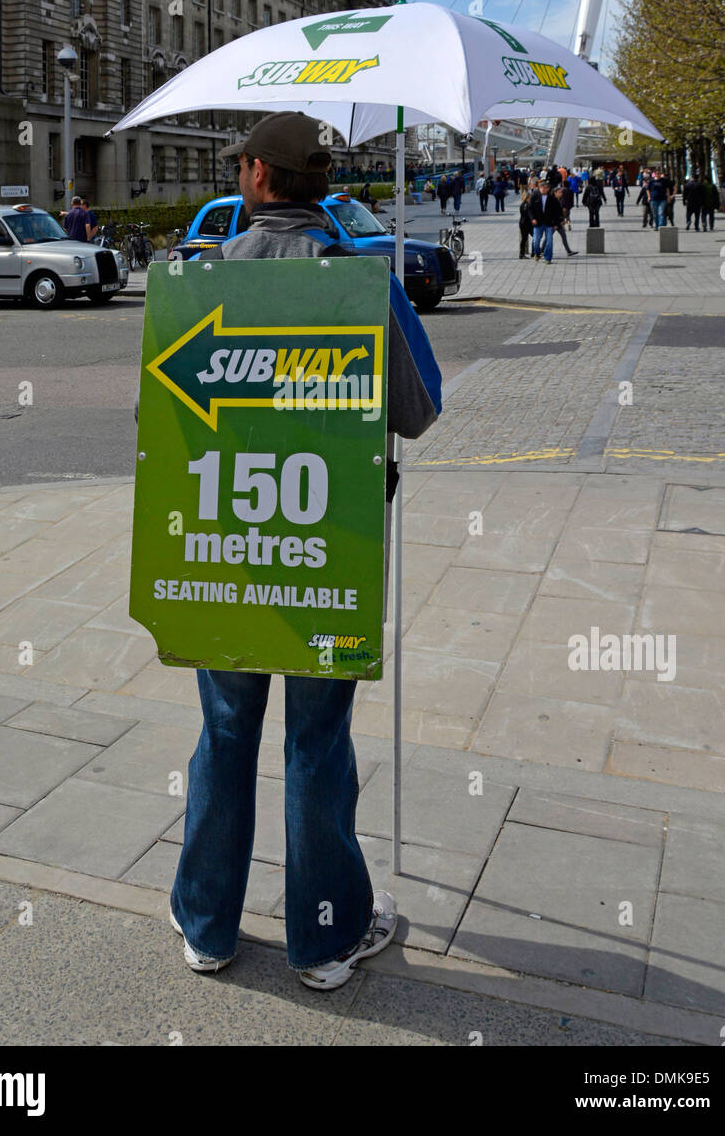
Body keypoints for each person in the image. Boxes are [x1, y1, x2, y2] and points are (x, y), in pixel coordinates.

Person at [169, 111, 441, 991]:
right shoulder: (361, 282)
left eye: (240, 162)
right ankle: (323, 943)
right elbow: (418, 411)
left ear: (257, 177)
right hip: (329, 545)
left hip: (229, 549)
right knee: (317, 745)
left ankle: (208, 927)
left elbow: (162, 422)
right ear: (318, 184)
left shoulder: (199, 280)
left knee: (223, 731)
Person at [518, 187, 533, 258]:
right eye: (529, 197)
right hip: (526, 224)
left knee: (524, 239)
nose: (530, 199)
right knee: (532, 237)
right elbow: (528, 214)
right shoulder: (527, 205)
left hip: (523, 223)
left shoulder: (523, 204)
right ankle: (522, 254)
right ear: (527, 197)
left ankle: (522, 254)